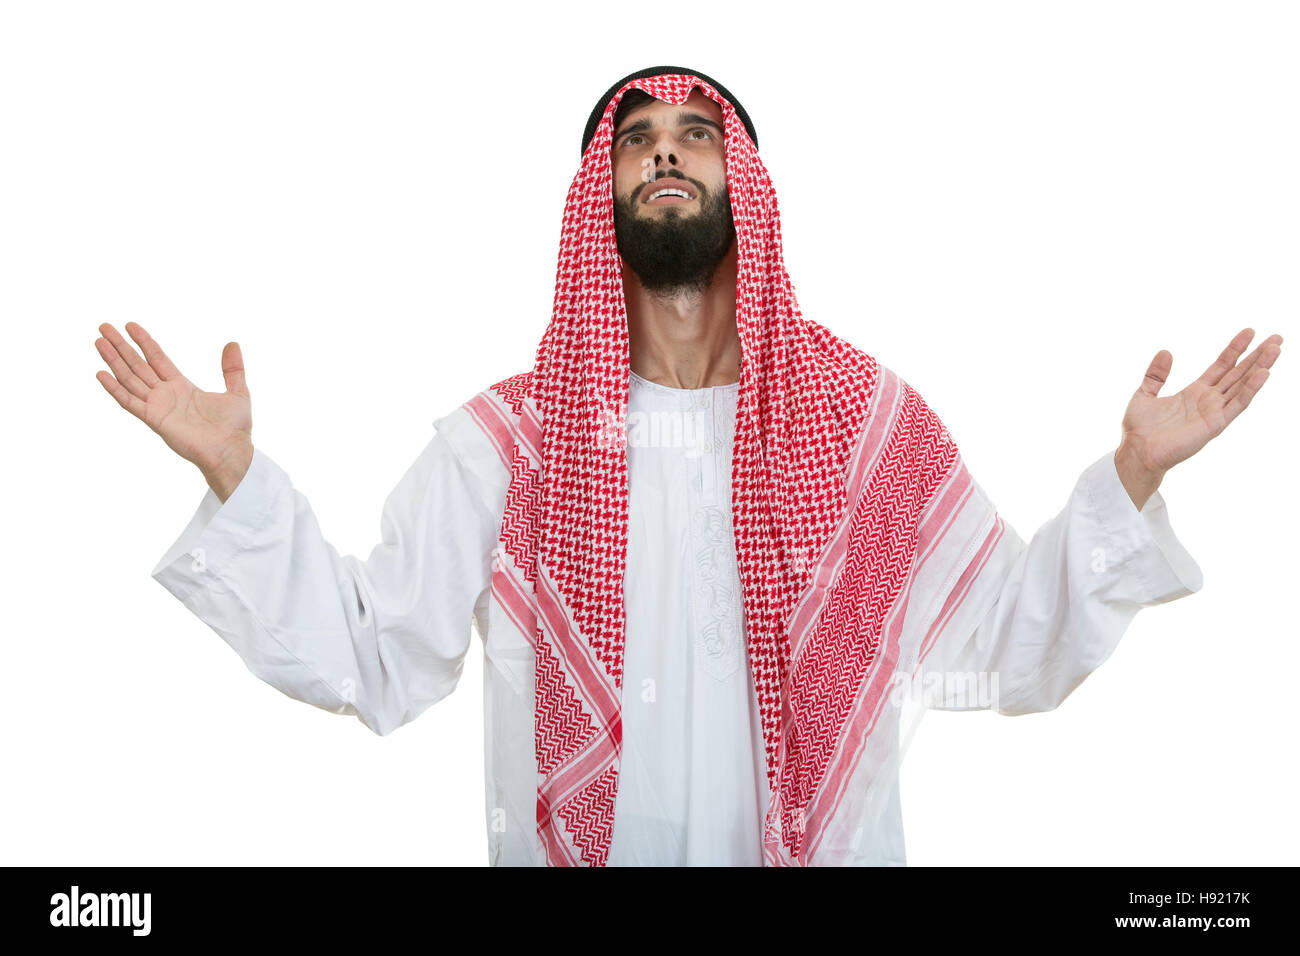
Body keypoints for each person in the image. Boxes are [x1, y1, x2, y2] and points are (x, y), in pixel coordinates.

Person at [93, 66, 1282, 867]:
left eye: (696, 136)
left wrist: (1129, 478)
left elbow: (1007, 649)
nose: (666, 156)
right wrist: (238, 483)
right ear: (595, 202)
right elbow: (374, 653)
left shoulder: (865, 430)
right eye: (638, 142)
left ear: (746, 188)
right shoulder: (505, 446)